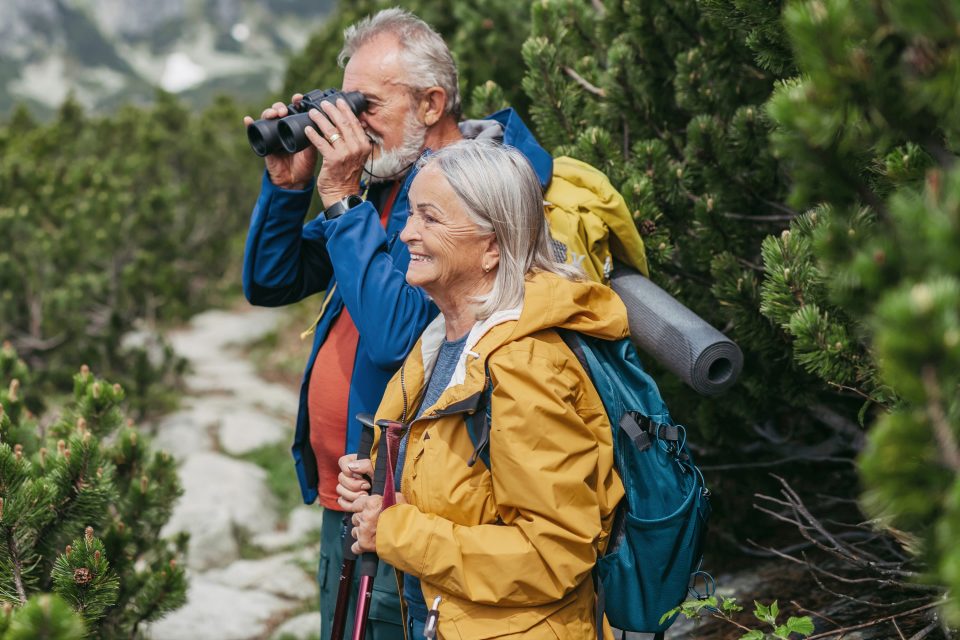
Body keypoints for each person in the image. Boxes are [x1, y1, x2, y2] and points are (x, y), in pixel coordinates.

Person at [241, 8, 558, 639]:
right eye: (344, 103)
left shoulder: (467, 198)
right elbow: (271, 281)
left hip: (411, 506)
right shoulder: (387, 181)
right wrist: (288, 186)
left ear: (432, 101)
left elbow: (394, 336)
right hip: (349, 494)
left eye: (366, 105)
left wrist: (341, 196)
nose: (349, 125)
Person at [338, 139, 627, 639]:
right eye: (410, 215)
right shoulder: (446, 341)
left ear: (492, 245)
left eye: (430, 218)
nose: (406, 233)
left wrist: (393, 530)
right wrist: (383, 481)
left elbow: (553, 554)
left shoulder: (525, 365)